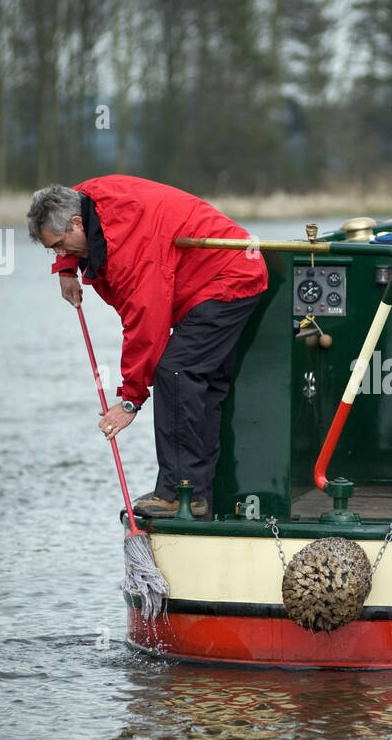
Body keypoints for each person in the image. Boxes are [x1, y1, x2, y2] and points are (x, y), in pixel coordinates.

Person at [28, 175, 267, 518]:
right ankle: (199, 496)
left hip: (230, 278)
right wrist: (66, 268)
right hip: (207, 279)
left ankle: (181, 494)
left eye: (61, 245)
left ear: (78, 223)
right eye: (54, 249)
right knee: (201, 386)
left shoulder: (130, 250)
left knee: (176, 372)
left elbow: (145, 325)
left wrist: (130, 399)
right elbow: (66, 209)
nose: (61, 252)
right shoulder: (85, 198)